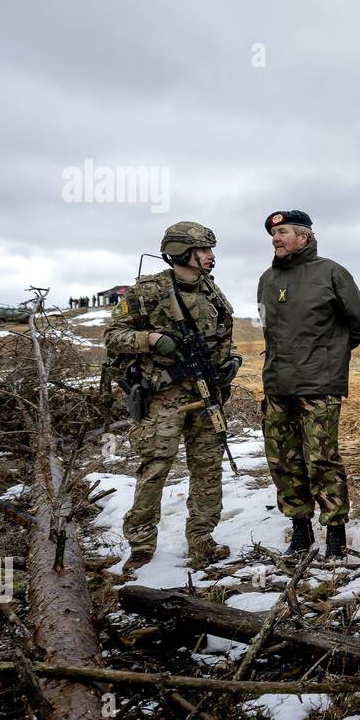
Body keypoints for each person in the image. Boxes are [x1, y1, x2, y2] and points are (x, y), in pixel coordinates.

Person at [104, 221, 240, 571]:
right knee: (156, 468)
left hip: (206, 394)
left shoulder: (212, 290)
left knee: (208, 469)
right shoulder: (148, 291)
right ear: (182, 252)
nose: (211, 256)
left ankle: (202, 539)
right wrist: (149, 340)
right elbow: (113, 335)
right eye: (204, 250)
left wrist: (232, 362)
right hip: (163, 396)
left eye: (211, 250)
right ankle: (141, 544)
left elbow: (225, 335)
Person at [257, 210, 360, 560]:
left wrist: (331, 355)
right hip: (278, 383)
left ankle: (335, 532)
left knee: (322, 458)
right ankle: (301, 529)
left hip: (319, 384)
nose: (276, 239)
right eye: (273, 234)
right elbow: (269, 329)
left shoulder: (332, 273)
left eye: (283, 232)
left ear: (303, 237)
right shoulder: (266, 279)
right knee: (282, 460)